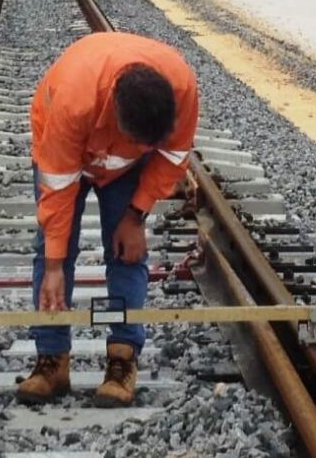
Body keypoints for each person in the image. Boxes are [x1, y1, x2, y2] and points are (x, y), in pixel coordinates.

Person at [16, 32, 198, 406]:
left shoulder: (182, 88)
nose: (148, 151)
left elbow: (174, 154)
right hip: (65, 154)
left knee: (126, 252)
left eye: (151, 145)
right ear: (116, 113)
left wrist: (136, 214)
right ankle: (52, 359)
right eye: (140, 143)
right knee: (54, 252)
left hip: (124, 169)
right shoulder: (74, 101)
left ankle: (122, 358)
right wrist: (53, 264)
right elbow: (58, 190)